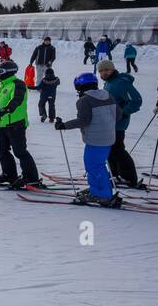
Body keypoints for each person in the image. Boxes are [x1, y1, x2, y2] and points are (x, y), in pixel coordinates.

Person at [54, 73, 123, 207]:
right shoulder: (108, 95)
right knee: (98, 165)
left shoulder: (84, 100)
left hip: (96, 140)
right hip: (108, 137)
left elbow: (84, 120)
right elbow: (118, 115)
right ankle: (98, 189)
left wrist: (64, 125)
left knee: (93, 166)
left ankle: (102, 195)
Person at [0, 59, 44, 189]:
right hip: (1, 124)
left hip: (15, 124)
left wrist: (7, 109)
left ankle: (31, 178)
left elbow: (17, 101)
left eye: (0, 71)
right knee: (1, 151)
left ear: (9, 71)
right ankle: (9, 175)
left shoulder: (18, 84)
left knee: (20, 152)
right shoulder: (2, 86)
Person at [98, 60, 144, 189]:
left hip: (118, 124)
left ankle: (128, 178)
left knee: (118, 150)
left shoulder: (121, 83)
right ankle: (115, 175)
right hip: (108, 122)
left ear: (112, 69)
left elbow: (136, 100)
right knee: (110, 150)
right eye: (101, 71)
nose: (104, 73)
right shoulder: (109, 83)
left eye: (107, 70)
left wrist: (123, 112)